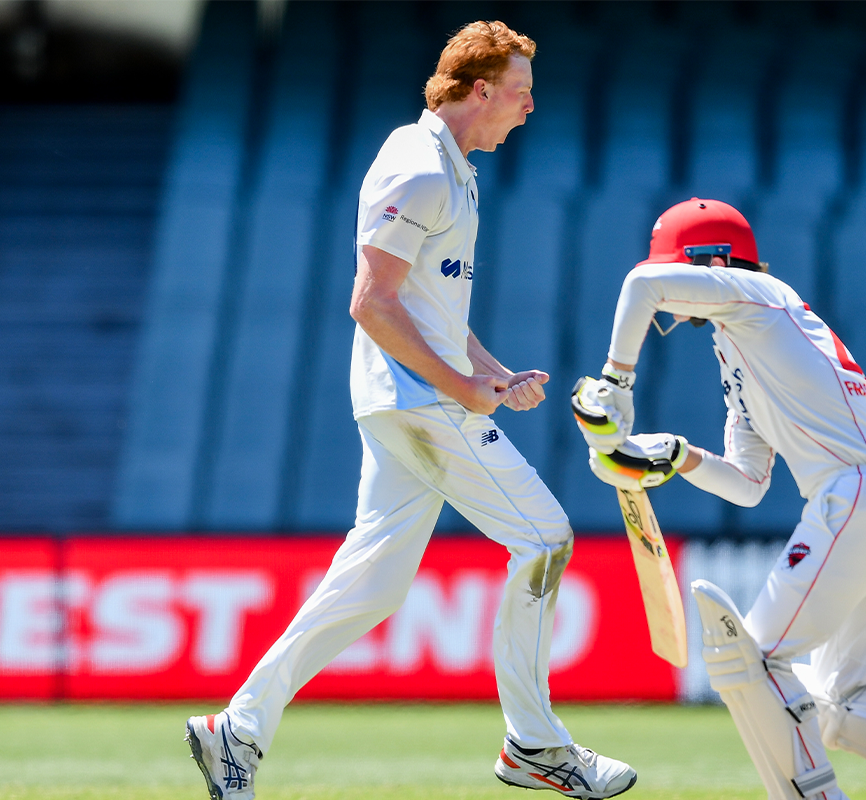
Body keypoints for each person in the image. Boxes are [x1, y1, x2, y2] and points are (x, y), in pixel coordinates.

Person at [186, 21, 636, 800]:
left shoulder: (450, 170)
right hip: (419, 401)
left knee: (373, 584)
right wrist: (463, 390)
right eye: (521, 94)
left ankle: (239, 729)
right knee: (545, 537)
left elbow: (429, 306)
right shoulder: (423, 168)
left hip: (411, 398)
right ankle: (534, 745)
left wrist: (491, 371)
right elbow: (372, 301)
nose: (530, 110)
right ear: (481, 89)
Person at [572, 198, 866, 800]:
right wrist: (673, 456)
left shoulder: (758, 296)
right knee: (843, 698)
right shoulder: (741, 344)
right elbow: (747, 483)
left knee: (756, 661)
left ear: (711, 263)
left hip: (852, 497)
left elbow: (643, 283)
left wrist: (615, 382)